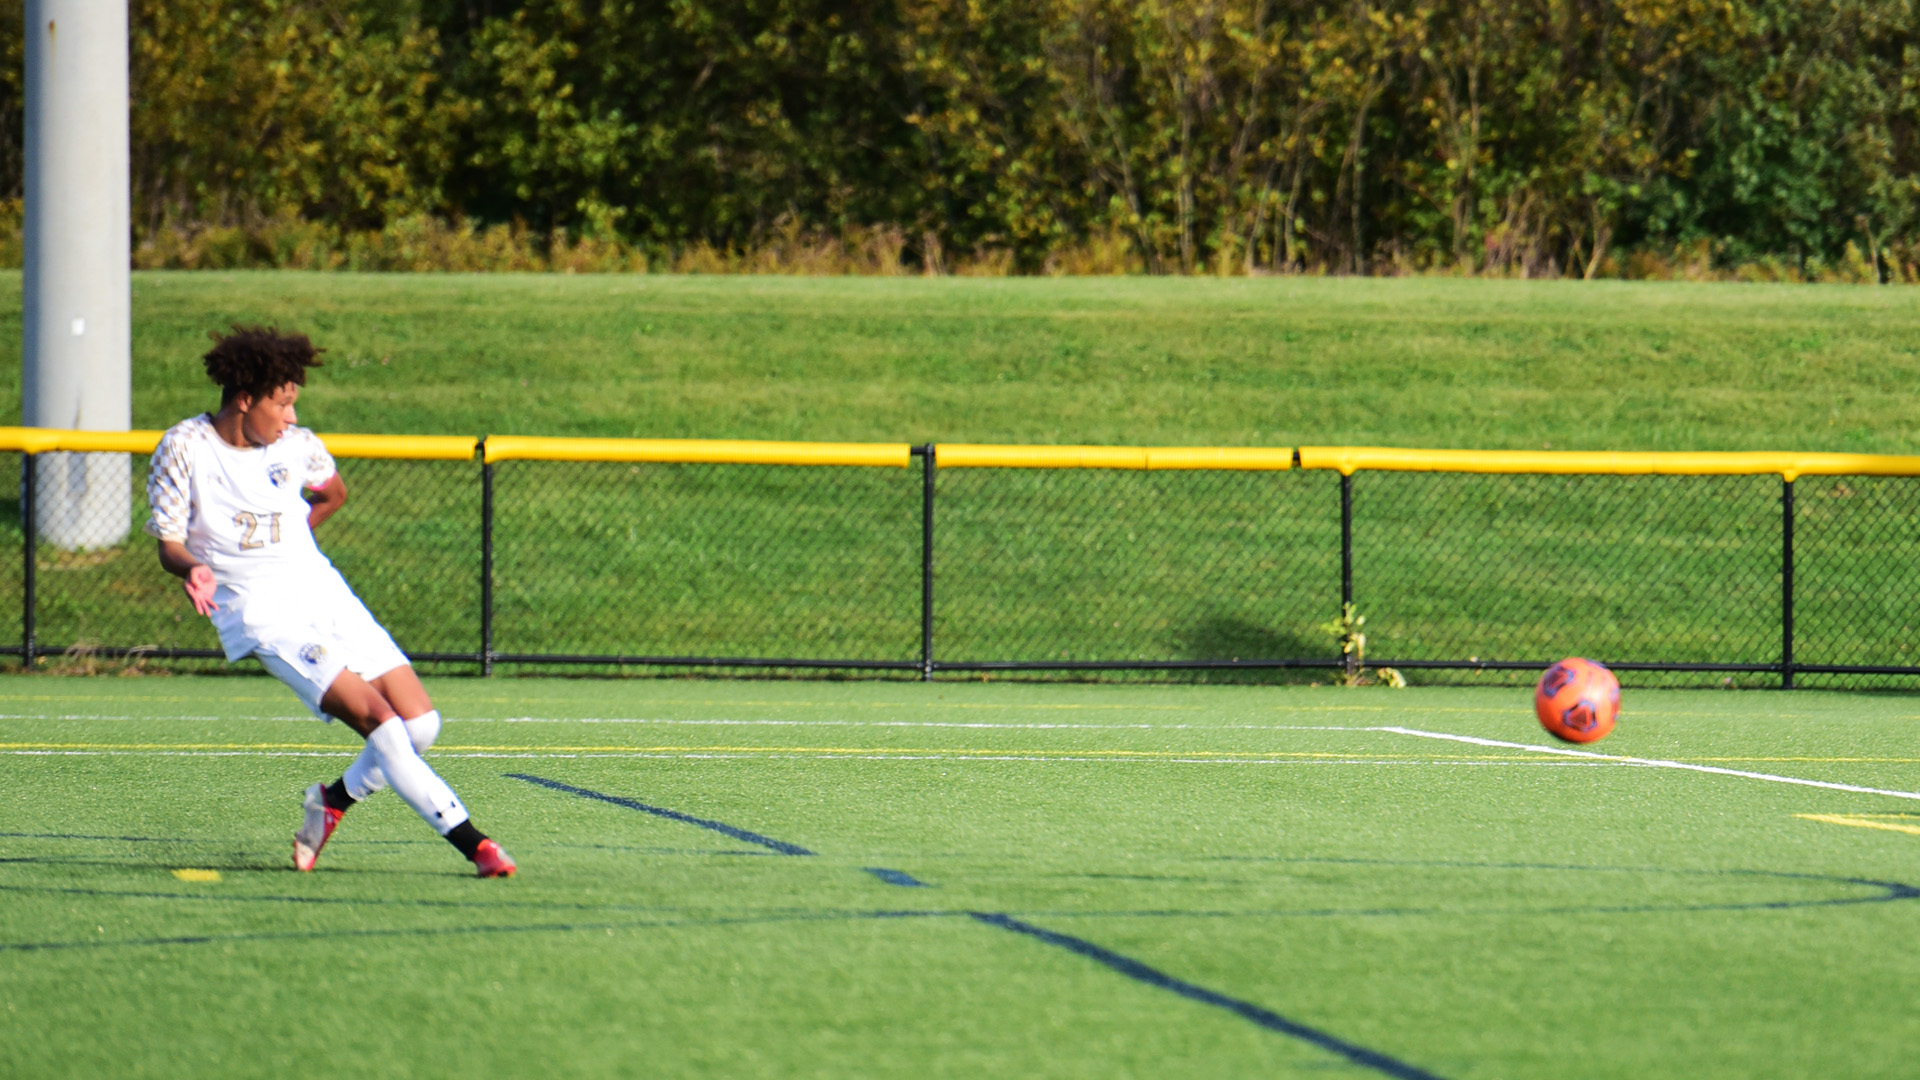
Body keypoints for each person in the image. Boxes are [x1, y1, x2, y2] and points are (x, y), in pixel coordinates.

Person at [146, 326, 515, 878]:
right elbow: (168, 543)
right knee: (383, 725)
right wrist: (194, 567)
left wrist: (295, 540)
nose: (291, 417)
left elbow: (332, 492)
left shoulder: (296, 446)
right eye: (283, 403)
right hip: (260, 613)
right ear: (245, 399)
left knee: (421, 726)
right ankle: (475, 844)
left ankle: (332, 802)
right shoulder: (184, 446)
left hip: (320, 588)